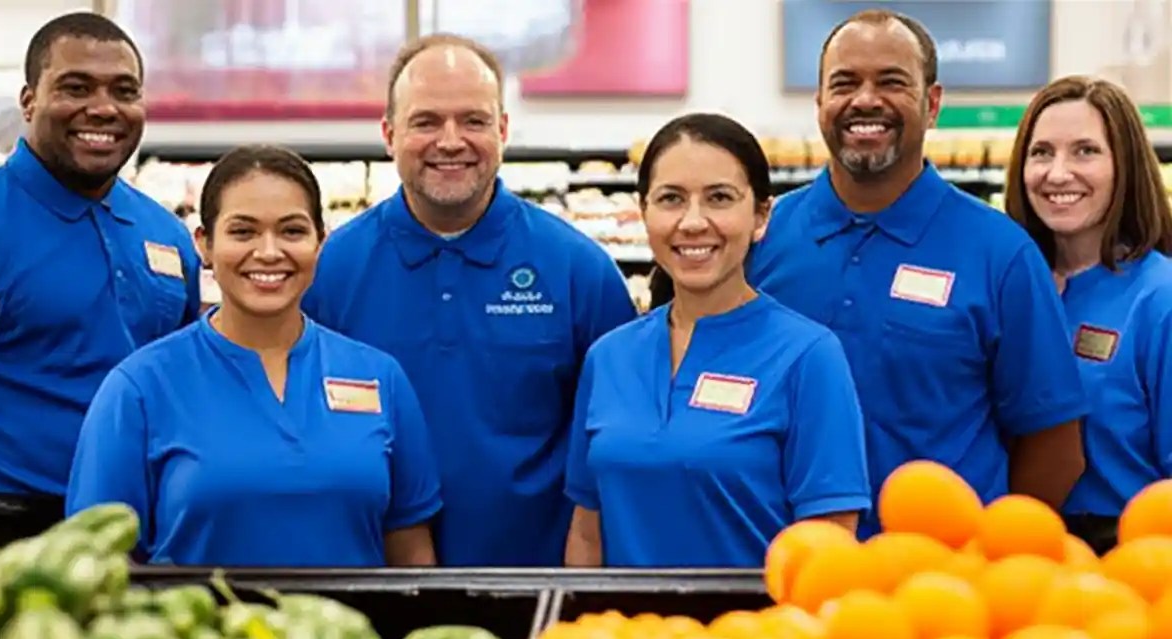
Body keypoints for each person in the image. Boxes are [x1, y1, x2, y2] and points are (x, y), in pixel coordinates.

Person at [737, 9, 1090, 534]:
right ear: (819, 105)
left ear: (932, 104)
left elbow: (1054, 446)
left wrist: (982, 549)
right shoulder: (758, 240)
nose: (865, 99)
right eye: (845, 83)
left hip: (936, 589)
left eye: (892, 82)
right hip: (778, 572)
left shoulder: (1000, 254)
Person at [302, 34, 637, 567]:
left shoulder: (578, 271)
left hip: (537, 587)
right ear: (389, 134)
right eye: (426, 121)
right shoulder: (330, 271)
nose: (451, 141)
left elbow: (618, 446)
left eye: (474, 121)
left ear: (503, 131)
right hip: (366, 586)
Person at [0, 13, 201, 544]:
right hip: (0, 529)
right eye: (75, 87)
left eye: (124, 90)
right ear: (29, 100)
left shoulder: (168, 237)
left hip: (141, 527)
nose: (103, 107)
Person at [66, 145, 442, 567]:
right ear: (204, 245)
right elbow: (97, 559)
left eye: (292, 231)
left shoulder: (380, 378)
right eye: (243, 231)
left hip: (347, 634)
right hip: (200, 632)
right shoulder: (139, 387)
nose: (268, 252)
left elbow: (411, 554)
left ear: (322, 240)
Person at [564, 113, 872, 568]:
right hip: (628, 637)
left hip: (755, 635)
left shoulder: (808, 356)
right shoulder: (608, 357)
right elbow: (588, 535)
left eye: (719, 198)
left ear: (761, 216)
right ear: (644, 210)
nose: (692, 222)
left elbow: (830, 546)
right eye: (671, 199)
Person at [1004, 76, 1172, 554]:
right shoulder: (1008, 287)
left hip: (1130, 556)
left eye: (1085, 151)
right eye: (1041, 152)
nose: (1057, 174)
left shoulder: (1159, 298)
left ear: (1126, 166)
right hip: (1014, 553)